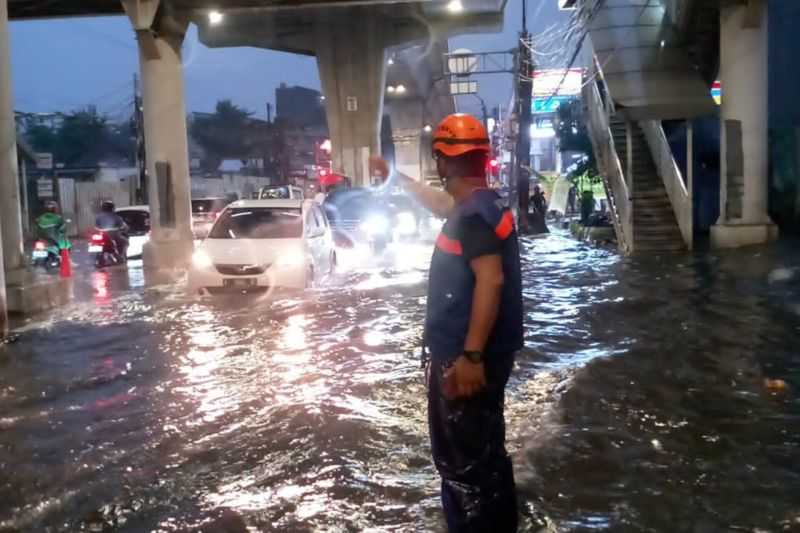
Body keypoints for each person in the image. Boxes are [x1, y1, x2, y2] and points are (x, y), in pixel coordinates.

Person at [370, 113, 523, 532]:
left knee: (463, 470)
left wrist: (470, 355)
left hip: (466, 360)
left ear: (441, 161)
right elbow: (440, 203)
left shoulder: (471, 217)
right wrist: (395, 177)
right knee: (486, 457)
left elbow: (490, 279)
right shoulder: (483, 205)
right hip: (486, 355)